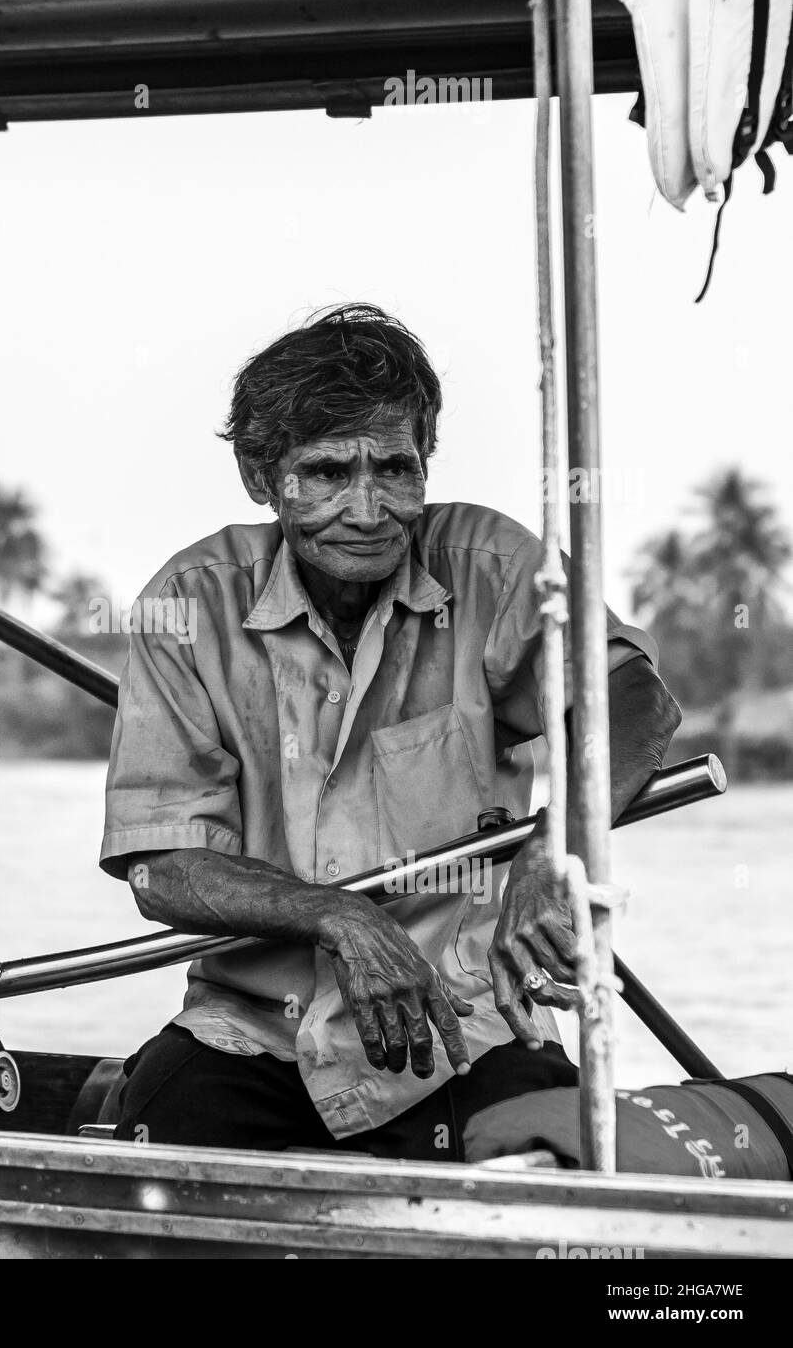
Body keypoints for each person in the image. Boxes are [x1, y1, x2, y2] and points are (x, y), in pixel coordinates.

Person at [100, 304, 681, 1158]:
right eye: (329, 473)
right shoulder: (189, 604)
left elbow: (635, 700)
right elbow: (162, 867)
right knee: (151, 1167)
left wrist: (554, 851)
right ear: (263, 479)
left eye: (396, 471)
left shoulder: (489, 563)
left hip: (467, 1025)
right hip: (255, 1033)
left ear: (425, 466)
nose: (368, 509)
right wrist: (335, 916)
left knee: (541, 1184)